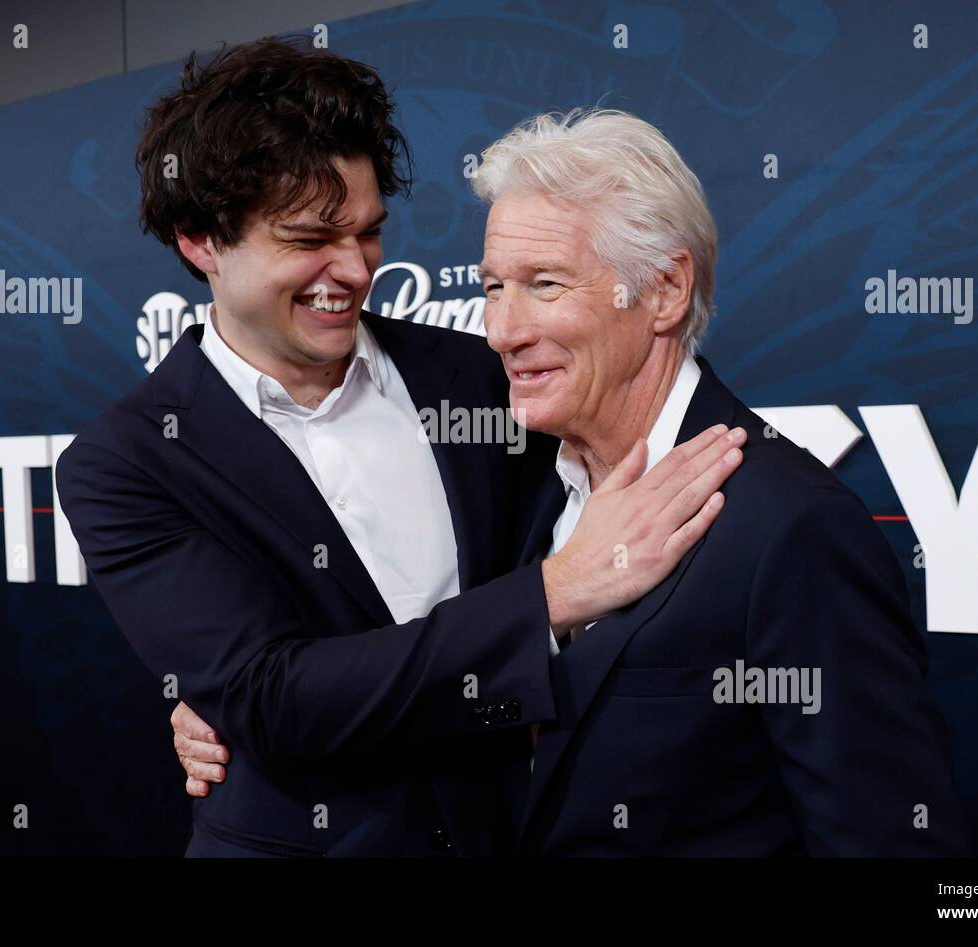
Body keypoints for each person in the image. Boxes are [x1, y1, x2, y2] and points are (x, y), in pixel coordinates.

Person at [180, 107, 970, 857]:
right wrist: (229, 702)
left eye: (546, 284)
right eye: (494, 287)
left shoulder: (790, 527)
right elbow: (440, 660)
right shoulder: (521, 483)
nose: (502, 330)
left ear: (665, 291)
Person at [56, 41, 741, 858]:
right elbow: (274, 700)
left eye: (368, 231)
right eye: (310, 238)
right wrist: (552, 593)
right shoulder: (125, 463)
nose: (352, 269)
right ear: (200, 239)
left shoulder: (484, 377)